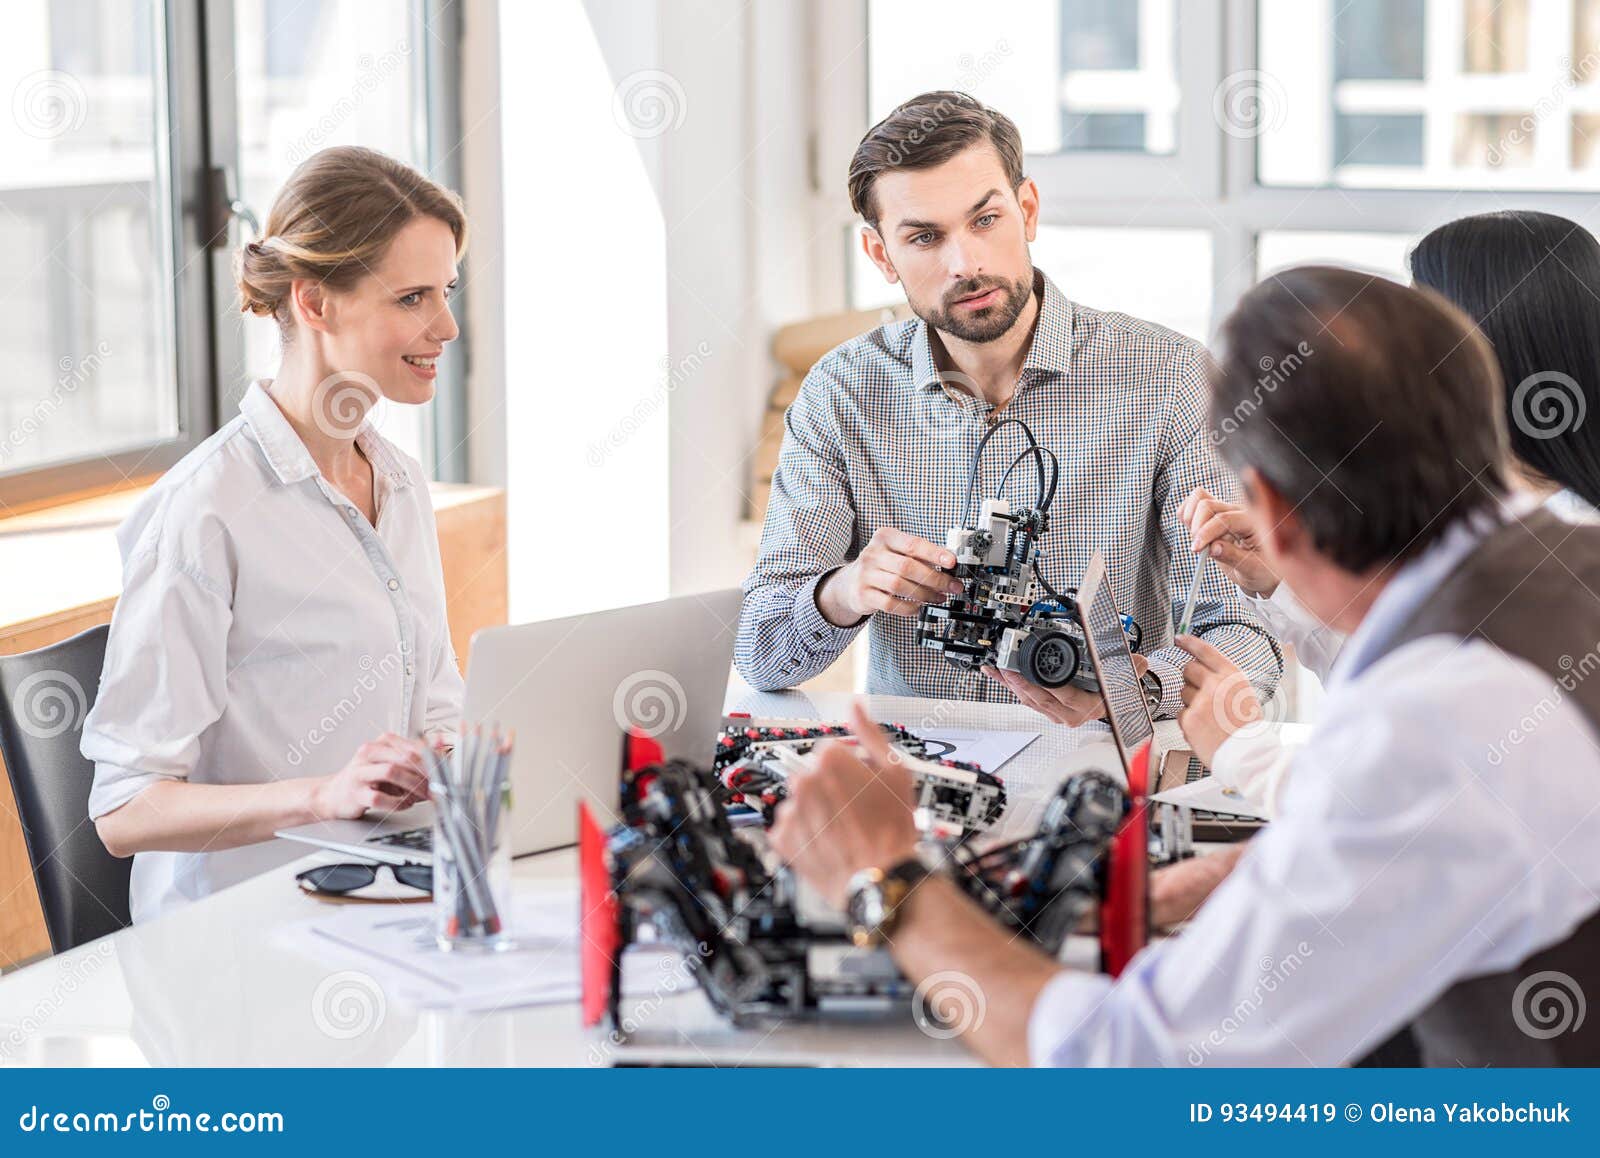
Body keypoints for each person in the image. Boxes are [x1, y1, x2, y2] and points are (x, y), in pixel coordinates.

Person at [769, 268, 1600, 1066]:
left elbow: (1131, 1067)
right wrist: (1268, 869)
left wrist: (888, 880)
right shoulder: (1566, 573)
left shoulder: (1431, 727)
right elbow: (1444, 836)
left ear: (1268, 511)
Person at [734, 91, 1282, 725]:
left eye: (986, 220)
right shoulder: (841, 392)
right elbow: (759, 653)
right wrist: (845, 591)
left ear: (1027, 210)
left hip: (1103, 760)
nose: (965, 264)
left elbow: (1248, 633)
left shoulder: (1170, 376)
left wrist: (1136, 690)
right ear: (882, 255)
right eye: (924, 237)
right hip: (919, 771)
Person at [83, 146, 467, 922]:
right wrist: (323, 797)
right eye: (413, 298)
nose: (447, 327)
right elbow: (125, 809)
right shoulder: (205, 510)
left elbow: (436, 711)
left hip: (382, 901)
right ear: (315, 303)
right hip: (238, 936)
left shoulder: (399, 483)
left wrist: (457, 760)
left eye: (447, 292)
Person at [1177, 211, 1600, 821]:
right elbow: (1402, 687)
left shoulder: (1552, 562)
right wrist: (1284, 581)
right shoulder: (1500, 526)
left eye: (1417, 332)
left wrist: (1244, 754)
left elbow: (1398, 798)